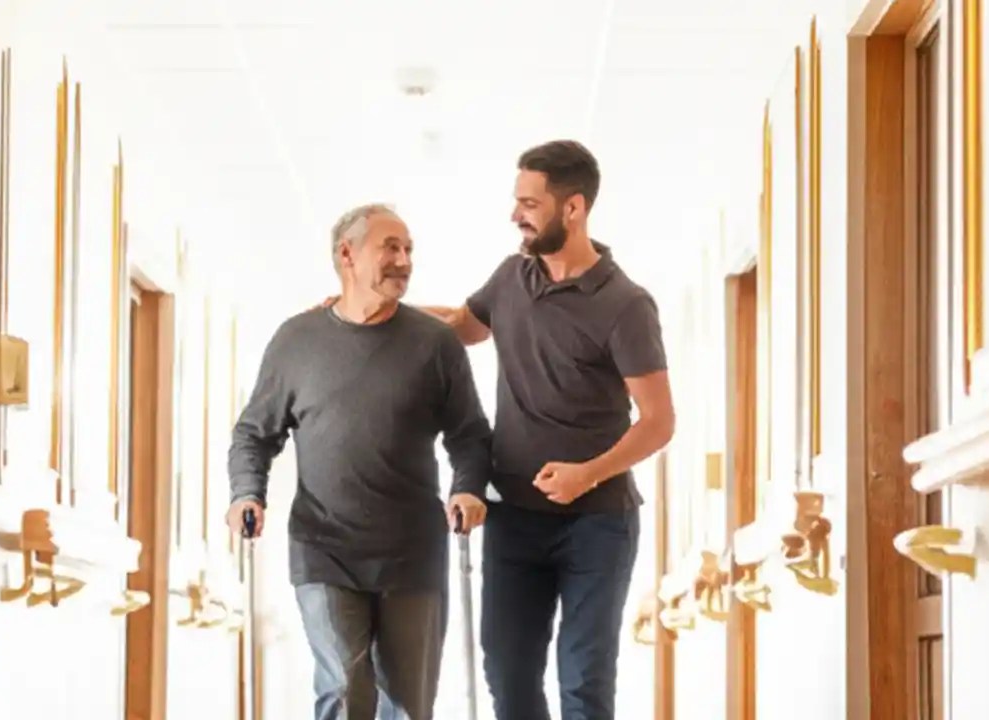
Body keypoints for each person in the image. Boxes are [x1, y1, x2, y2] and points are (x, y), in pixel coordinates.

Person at [420, 140, 676, 719]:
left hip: (599, 522)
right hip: (515, 516)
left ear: (573, 208)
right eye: (517, 201)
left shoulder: (625, 305)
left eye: (529, 203)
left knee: (582, 679)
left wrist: (589, 474)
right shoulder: (513, 277)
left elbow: (660, 422)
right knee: (507, 675)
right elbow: (464, 326)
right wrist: (380, 309)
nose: (516, 215)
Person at [226, 203, 492, 720]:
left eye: (409, 249)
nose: (404, 260)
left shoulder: (435, 344)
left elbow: (471, 435)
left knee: (408, 704)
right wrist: (246, 492)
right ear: (347, 254)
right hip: (325, 545)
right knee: (347, 686)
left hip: (412, 550)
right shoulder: (296, 341)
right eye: (390, 247)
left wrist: (468, 487)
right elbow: (254, 434)